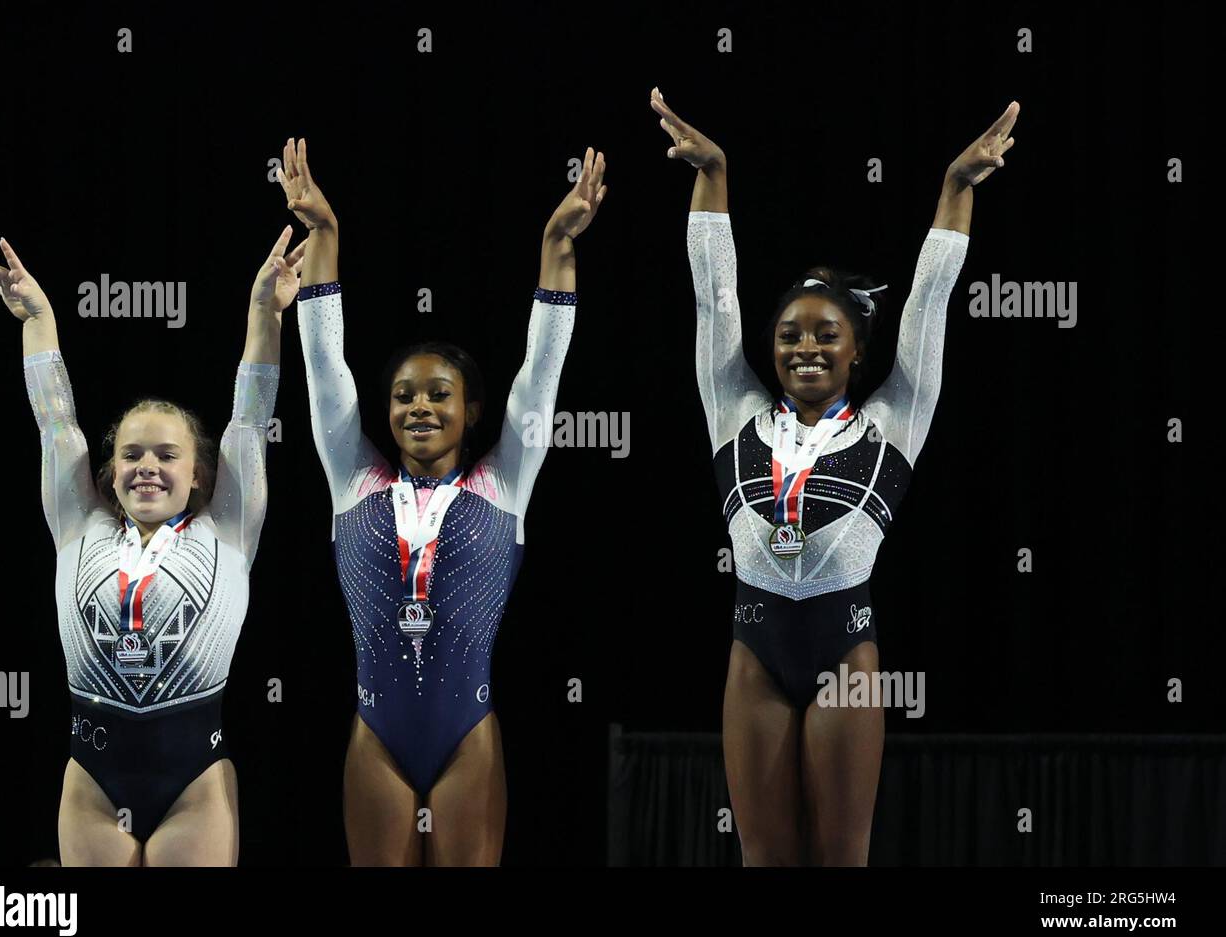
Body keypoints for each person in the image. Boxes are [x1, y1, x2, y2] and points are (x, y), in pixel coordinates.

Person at [652, 86, 1017, 865]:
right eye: (788, 334)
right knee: (765, 858)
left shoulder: (895, 421)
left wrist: (955, 191)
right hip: (754, 654)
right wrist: (712, 177)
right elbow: (714, 300)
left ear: (858, 350)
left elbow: (930, 304)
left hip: (846, 655)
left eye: (827, 334)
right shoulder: (734, 409)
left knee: (843, 857)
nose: (804, 347)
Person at [278, 136, 606, 865]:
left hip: (468, 735)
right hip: (375, 735)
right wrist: (323, 237)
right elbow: (325, 370)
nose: (417, 407)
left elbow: (542, 372)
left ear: (473, 410)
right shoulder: (352, 480)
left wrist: (557, 247)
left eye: (438, 394)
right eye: (402, 396)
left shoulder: (504, 484)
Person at [0, 227, 302, 865]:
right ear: (111, 468)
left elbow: (251, 418)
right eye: (131, 454)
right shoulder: (80, 526)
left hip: (194, 781)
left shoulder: (226, 530)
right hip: (94, 779)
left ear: (201, 473)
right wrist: (39, 321)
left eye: (167, 455)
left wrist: (264, 314)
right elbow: (55, 421)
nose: (147, 467)